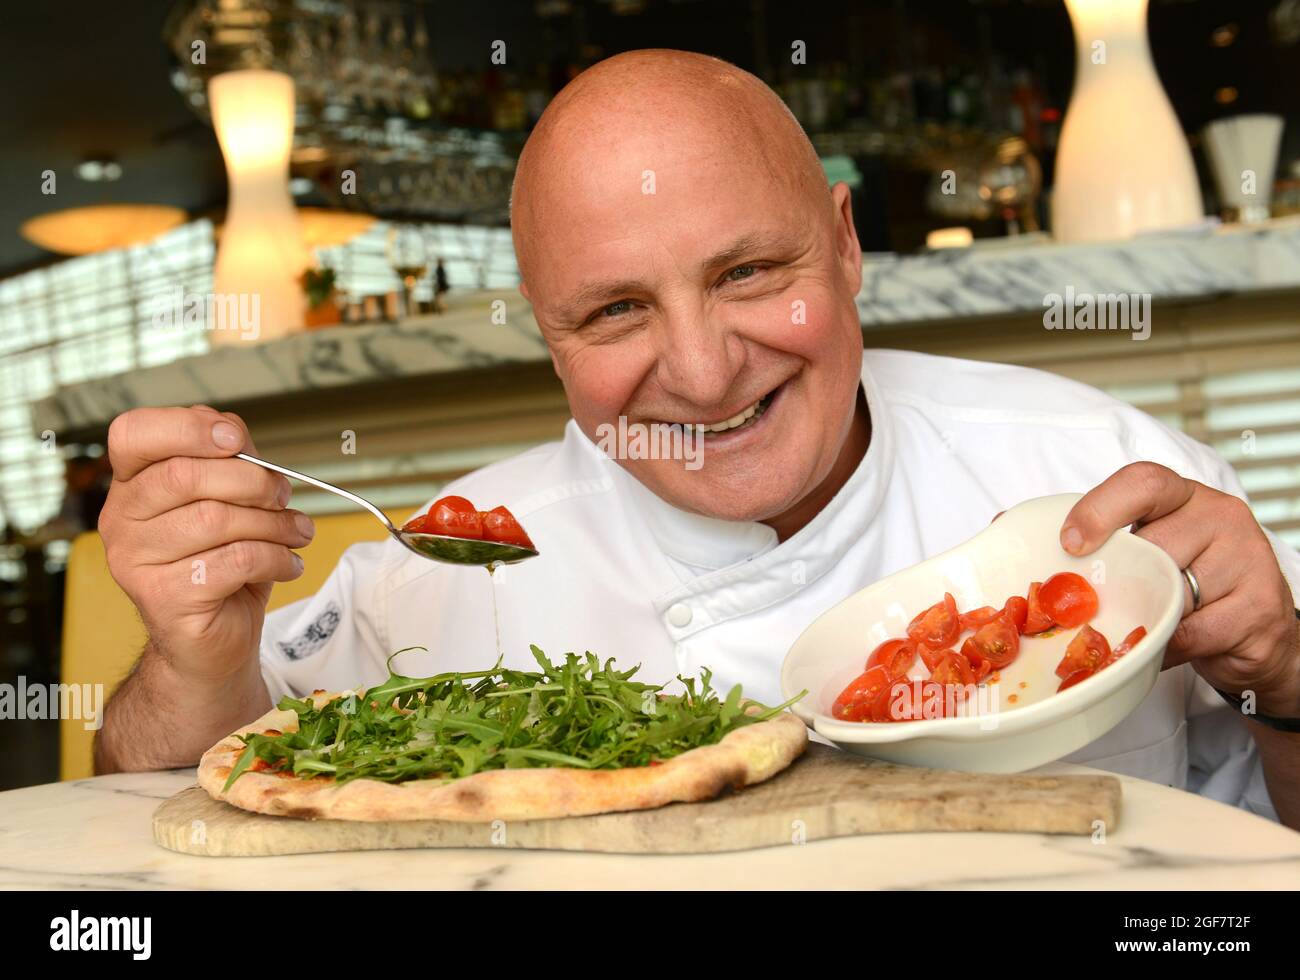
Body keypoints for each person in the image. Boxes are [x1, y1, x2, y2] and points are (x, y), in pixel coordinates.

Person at [94, 50, 1300, 828]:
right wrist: (194, 663)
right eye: (616, 309)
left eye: (748, 272)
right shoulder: (432, 574)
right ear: (549, 338)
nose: (706, 370)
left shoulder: (1104, 479)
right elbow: (158, 834)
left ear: (844, 244)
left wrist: (1286, 677)